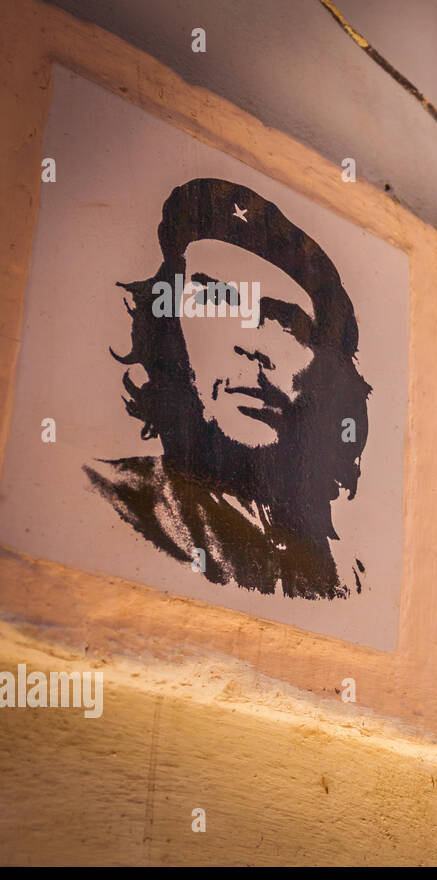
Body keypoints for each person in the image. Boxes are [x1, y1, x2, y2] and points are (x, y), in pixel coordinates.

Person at [84, 178, 372, 600]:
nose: (254, 346)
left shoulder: (345, 574)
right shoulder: (111, 499)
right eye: (218, 301)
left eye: (287, 325)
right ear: (167, 326)